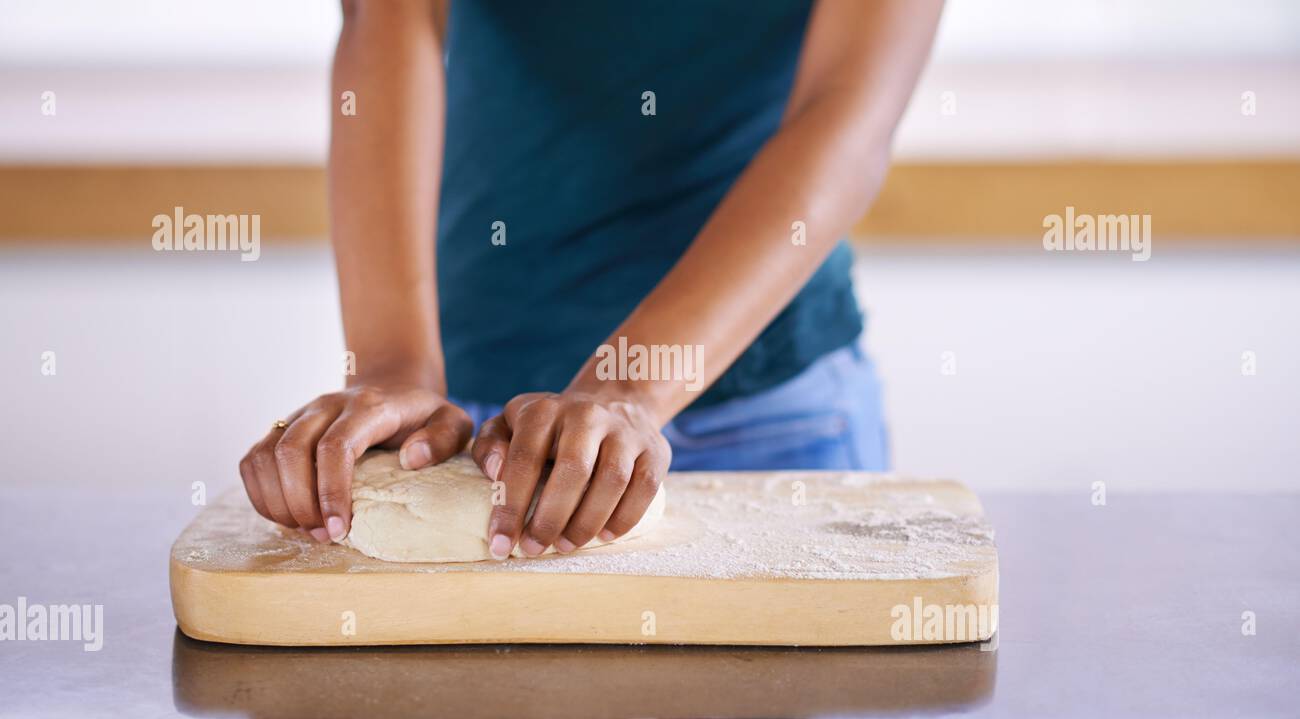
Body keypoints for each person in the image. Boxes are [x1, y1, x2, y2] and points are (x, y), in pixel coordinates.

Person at [240, 0, 943, 560]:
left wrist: (631, 386)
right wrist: (392, 362)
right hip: (474, 419)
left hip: (767, 414)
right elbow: (389, 12)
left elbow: (847, 106)